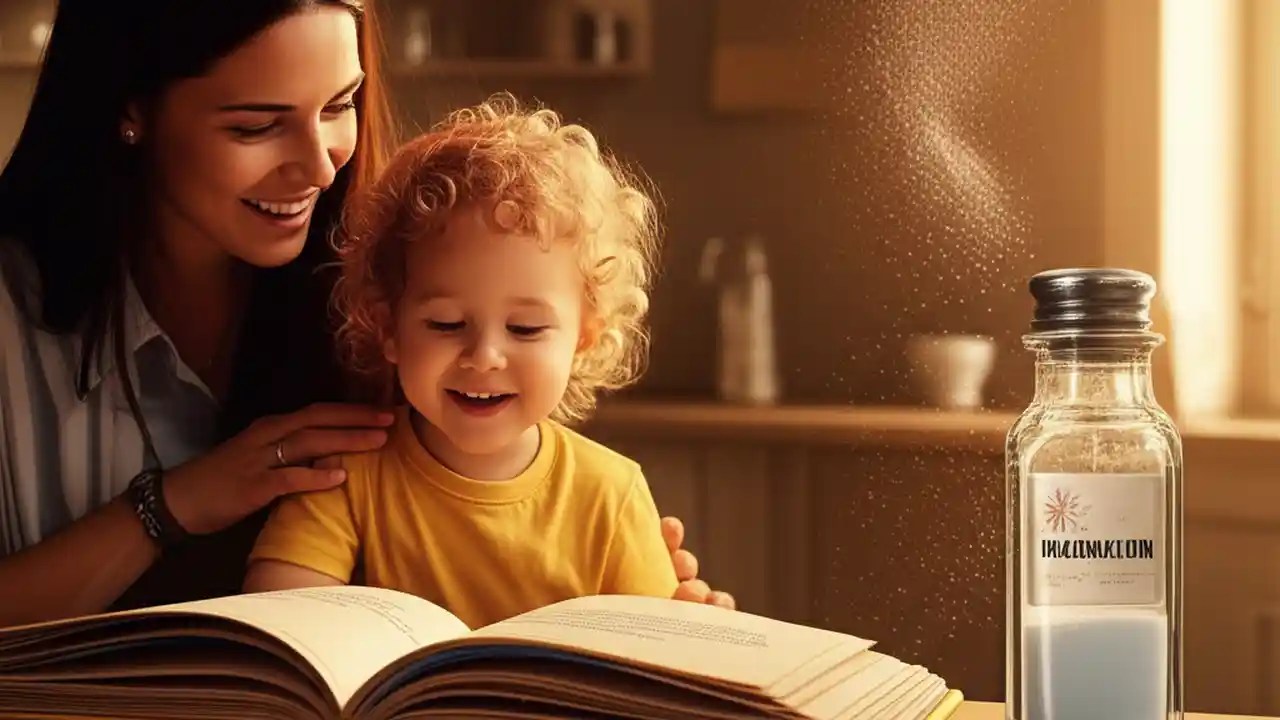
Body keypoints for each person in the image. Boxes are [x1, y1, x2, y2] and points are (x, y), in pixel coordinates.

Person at [0, 0, 731, 628]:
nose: (322, 167)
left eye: (339, 105)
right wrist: (173, 506)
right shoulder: (15, 320)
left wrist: (656, 621)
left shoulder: (389, 289)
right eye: (256, 126)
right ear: (132, 108)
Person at [243, 96, 688, 628]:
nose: (484, 357)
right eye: (447, 324)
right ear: (389, 329)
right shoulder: (345, 478)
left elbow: (659, 668)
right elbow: (277, 637)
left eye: (525, 328)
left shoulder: (611, 497)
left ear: (584, 338)